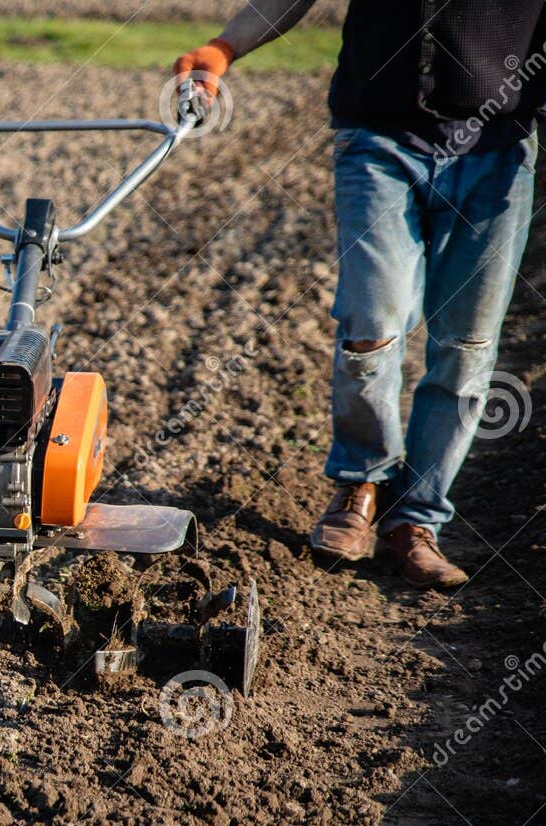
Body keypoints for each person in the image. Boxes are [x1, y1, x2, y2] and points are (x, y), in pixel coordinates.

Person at [174, 2, 541, 589]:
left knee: (468, 345)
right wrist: (225, 46)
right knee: (372, 321)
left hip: (498, 151)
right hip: (378, 139)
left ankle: (415, 522)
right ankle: (360, 484)